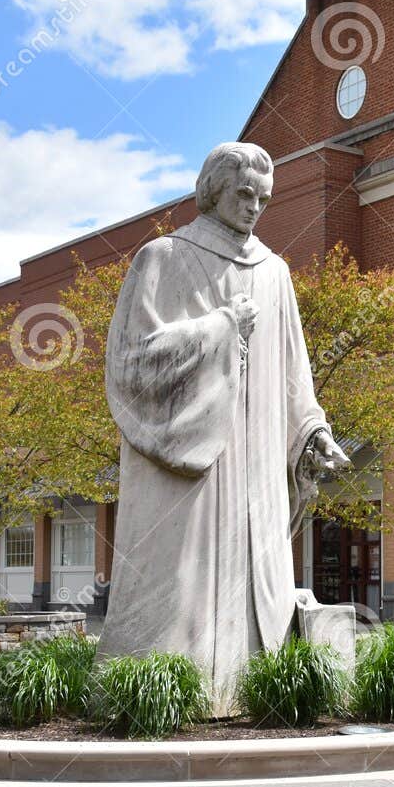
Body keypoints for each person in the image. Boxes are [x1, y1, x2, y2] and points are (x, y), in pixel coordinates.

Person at [99, 141, 348, 711]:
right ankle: (161, 696)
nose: (255, 206)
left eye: (264, 197)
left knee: (260, 581)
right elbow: (132, 360)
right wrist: (220, 328)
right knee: (181, 581)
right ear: (213, 189)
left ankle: (256, 694)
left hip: (260, 462)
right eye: (244, 193)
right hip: (194, 467)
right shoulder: (163, 257)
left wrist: (312, 431)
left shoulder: (276, 273)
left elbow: (294, 375)